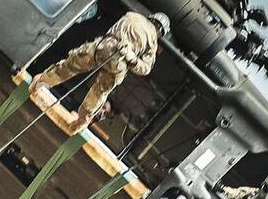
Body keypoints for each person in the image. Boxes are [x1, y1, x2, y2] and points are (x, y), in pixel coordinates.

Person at [31, 12, 170, 133]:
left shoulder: (132, 16)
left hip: (103, 46)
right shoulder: (152, 42)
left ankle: (42, 82)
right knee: (99, 92)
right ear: (161, 32)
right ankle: (80, 121)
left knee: (71, 65)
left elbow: (112, 30)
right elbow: (145, 69)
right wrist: (132, 58)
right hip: (120, 63)